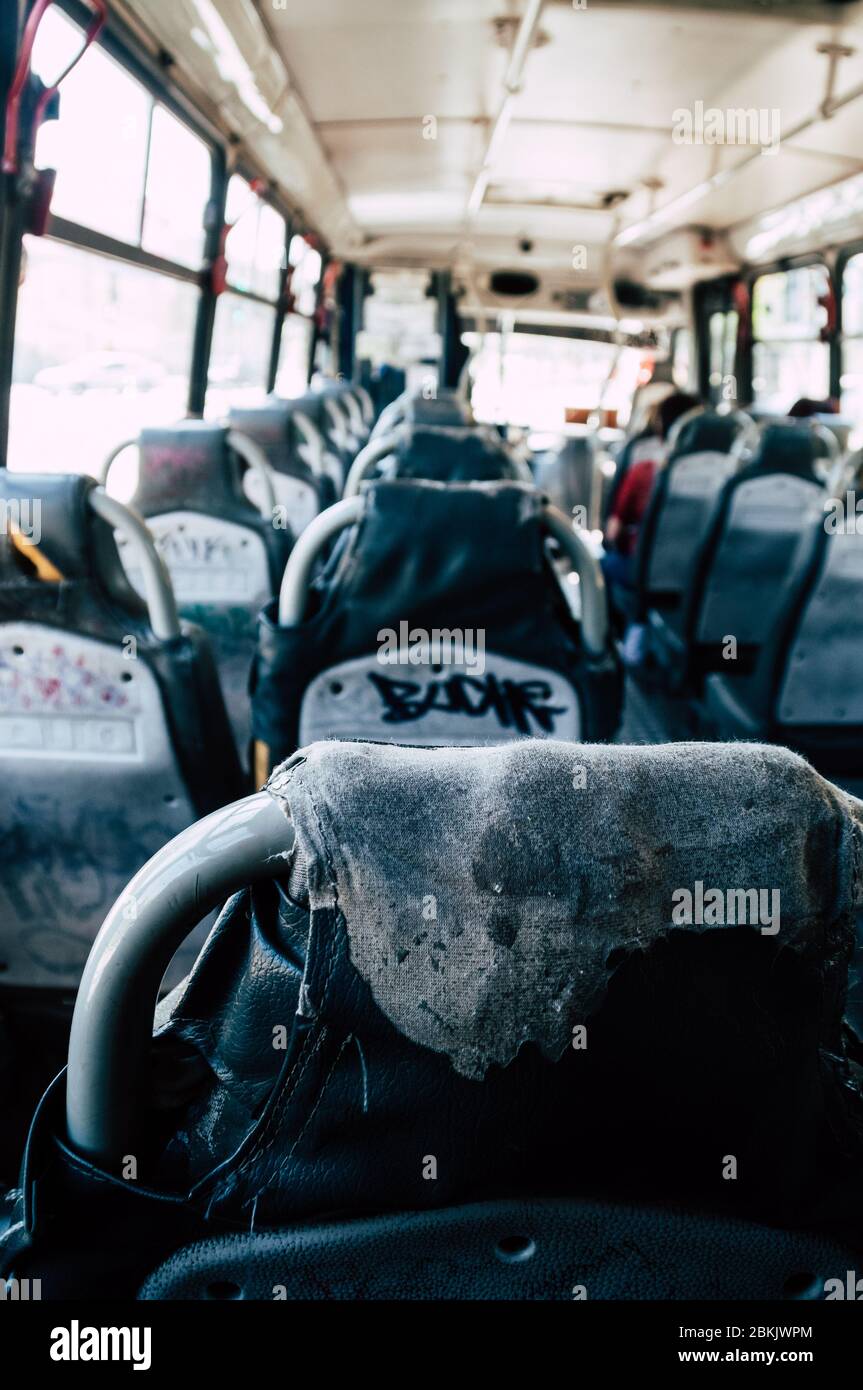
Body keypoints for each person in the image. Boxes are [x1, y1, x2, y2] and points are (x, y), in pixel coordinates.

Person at [601, 390, 700, 593]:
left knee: (603, 566)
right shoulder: (726, 478)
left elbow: (613, 533)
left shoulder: (645, 471)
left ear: (660, 426)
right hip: (699, 577)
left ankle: (621, 623)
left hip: (649, 574)